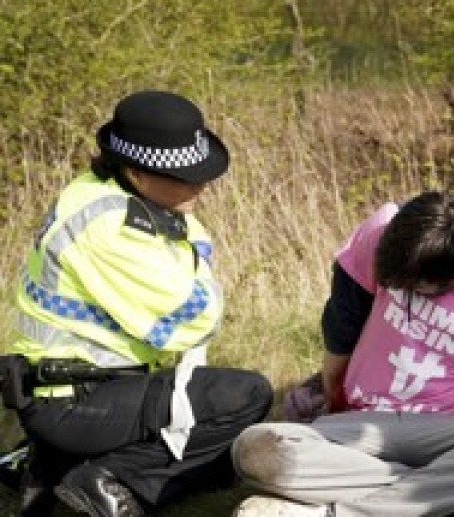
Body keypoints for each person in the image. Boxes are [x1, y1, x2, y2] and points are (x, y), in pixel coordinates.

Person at [8, 90, 273, 517]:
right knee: (245, 397)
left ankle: (48, 466)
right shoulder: (113, 228)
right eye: (186, 175)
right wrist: (197, 259)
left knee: (222, 463)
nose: (202, 184)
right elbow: (195, 320)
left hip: (71, 386)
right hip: (76, 402)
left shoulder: (94, 191)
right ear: (135, 172)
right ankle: (104, 484)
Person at [232, 191, 454, 517]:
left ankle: (330, 513)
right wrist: (322, 389)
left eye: (415, 287)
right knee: (255, 450)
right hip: (363, 420)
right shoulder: (383, 228)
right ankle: (447, 495)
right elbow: (343, 323)